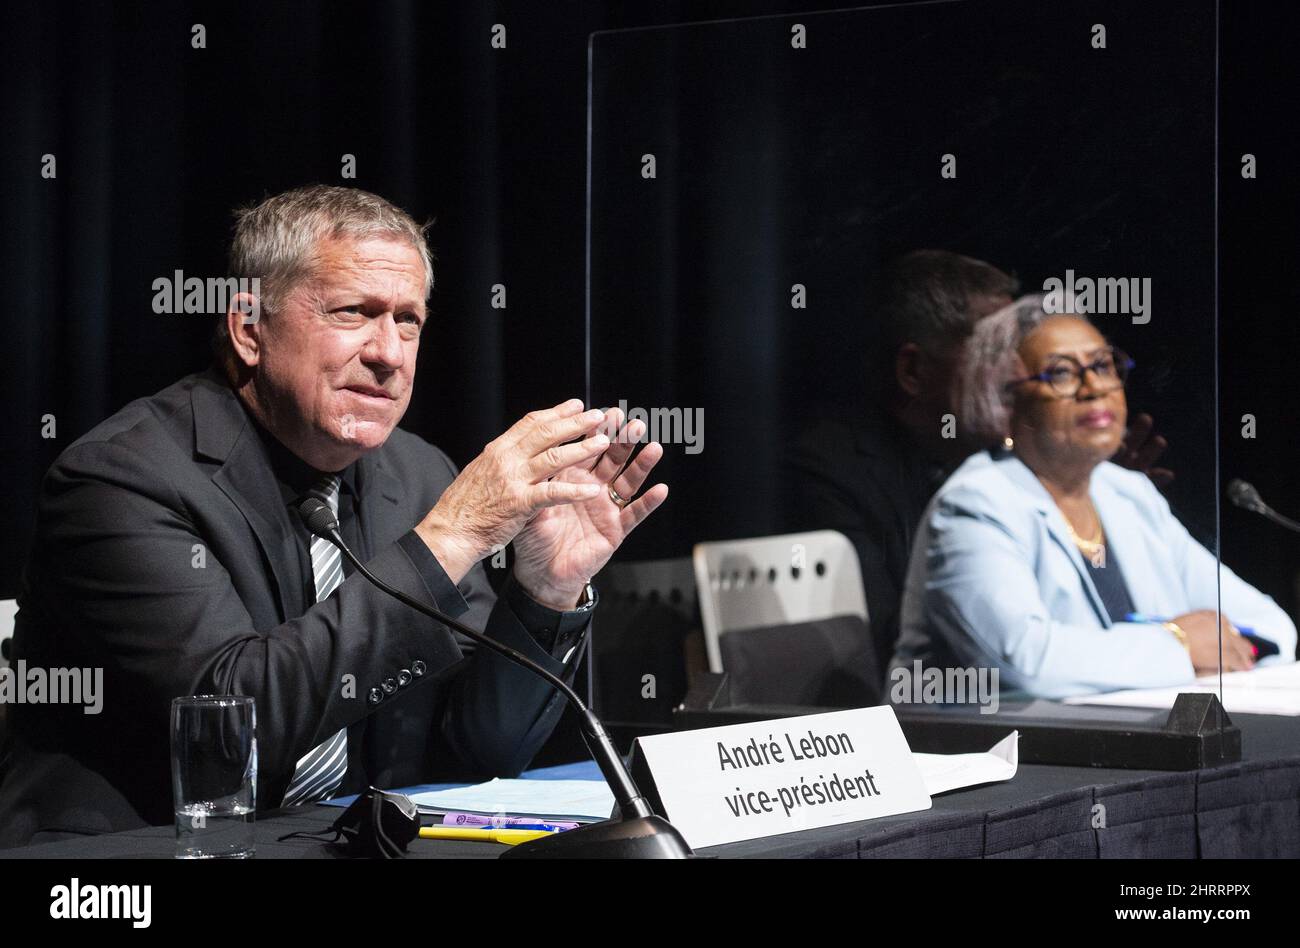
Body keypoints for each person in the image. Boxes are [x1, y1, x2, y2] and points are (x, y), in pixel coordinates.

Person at [0, 185, 668, 846]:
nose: (389, 353)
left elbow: (484, 748)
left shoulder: (416, 474)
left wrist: (543, 593)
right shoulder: (122, 479)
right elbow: (229, 727)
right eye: (354, 311)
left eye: (408, 320)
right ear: (249, 327)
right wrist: (452, 537)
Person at [788, 251, 1173, 674]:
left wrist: (1081, 496)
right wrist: (1176, 644)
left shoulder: (1038, 469)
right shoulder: (830, 473)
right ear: (913, 371)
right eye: (996, 346)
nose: (1020, 365)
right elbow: (887, 642)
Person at [891, 296, 1295, 697]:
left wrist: (1225, 650)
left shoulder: (1128, 494)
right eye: (1061, 373)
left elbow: (1270, 625)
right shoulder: (976, 505)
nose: (1094, 387)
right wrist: (1181, 644)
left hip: (1119, 735)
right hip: (978, 747)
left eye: (1102, 365)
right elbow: (1027, 661)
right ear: (1004, 403)